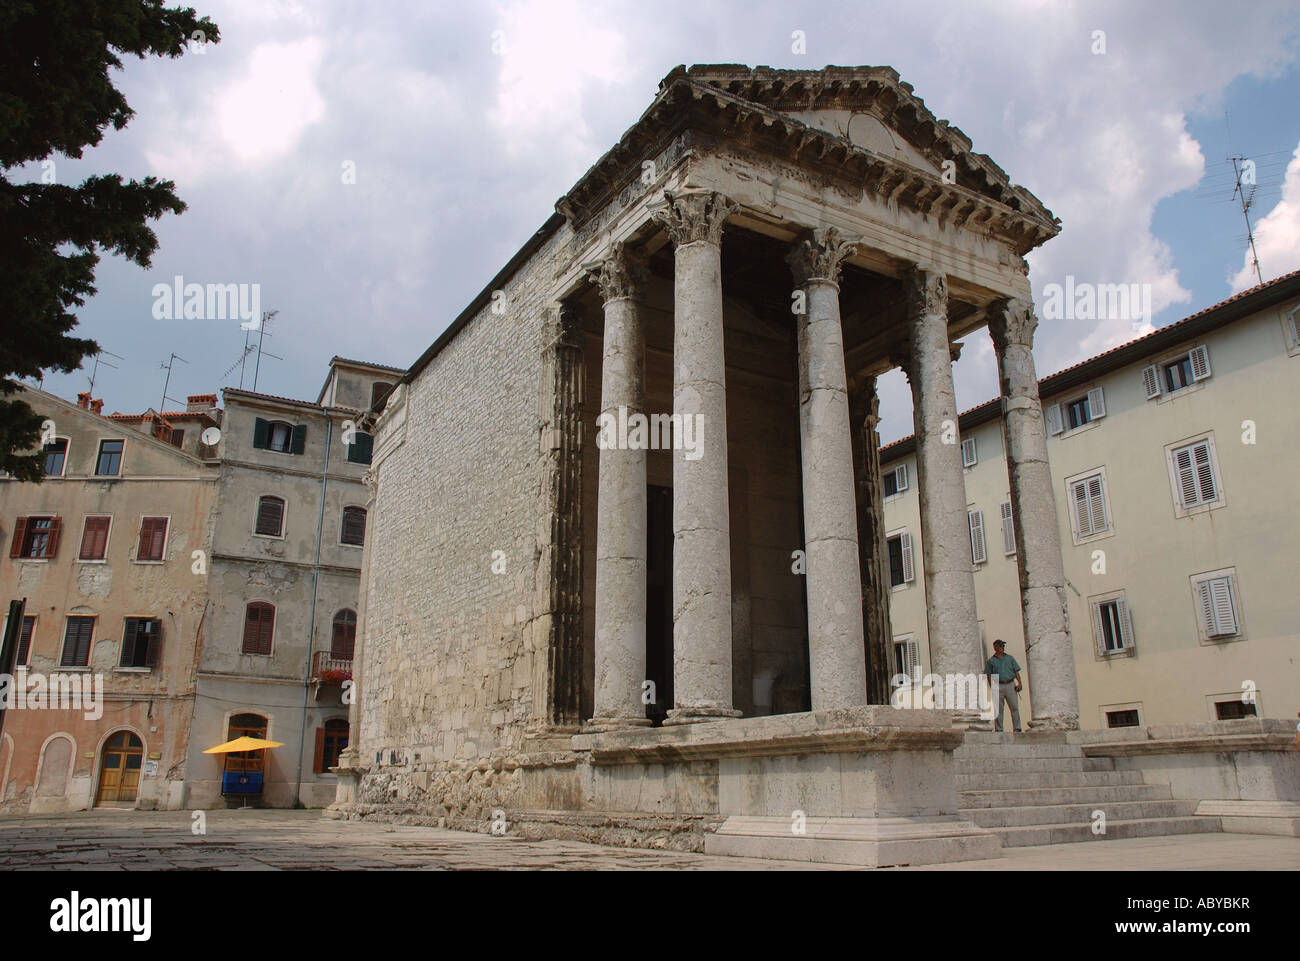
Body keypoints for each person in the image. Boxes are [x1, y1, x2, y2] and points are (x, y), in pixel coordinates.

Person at [985, 639, 1023, 733]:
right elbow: (988, 675)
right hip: (998, 685)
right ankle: (999, 729)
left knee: (1014, 707)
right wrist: (992, 687)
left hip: (1010, 684)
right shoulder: (991, 661)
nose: (1002, 648)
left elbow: (1016, 671)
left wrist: (1019, 683)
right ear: (995, 647)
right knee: (998, 709)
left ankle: (1017, 727)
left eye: (1003, 646)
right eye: (1000, 646)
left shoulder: (1010, 658)